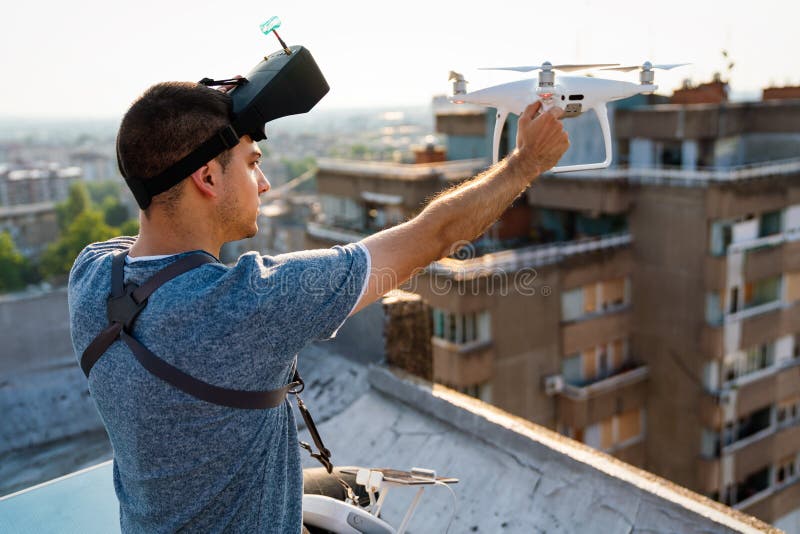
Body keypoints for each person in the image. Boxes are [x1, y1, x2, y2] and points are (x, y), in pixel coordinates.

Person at [68, 80, 568, 533]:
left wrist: (214, 112)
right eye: (253, 163)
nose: (263, 185)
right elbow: (434, 234)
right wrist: (525, 163)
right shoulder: (248, 306)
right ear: (207, 179)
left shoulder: (91, 276)